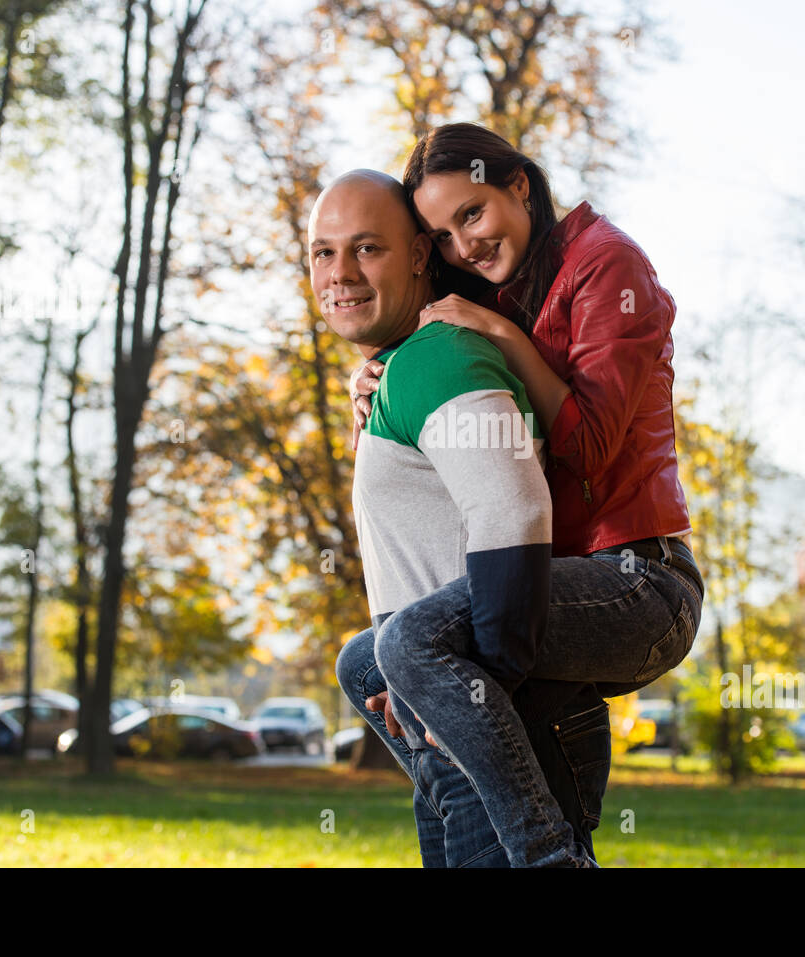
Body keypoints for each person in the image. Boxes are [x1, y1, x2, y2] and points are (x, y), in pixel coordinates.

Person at [348, 123, 705, 867]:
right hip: (554, 591)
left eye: (471, 214)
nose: (462, 246)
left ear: (519, 184)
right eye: (441, 236)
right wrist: (375, 373)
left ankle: (548, 860)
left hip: (638, 580)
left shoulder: (607, 264)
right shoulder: (504, 288)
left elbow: (590, 445)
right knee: (366, 663)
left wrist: (498, 332)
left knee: (412, 644)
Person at [312, 169, 610, 867]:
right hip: (456, 711)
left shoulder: (443, 354)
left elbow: (513, 506)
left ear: (420, 254)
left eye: (367, 249)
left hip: (493, 711)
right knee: (358, 659)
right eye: (323, 252)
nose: (341, 272)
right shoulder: (404, 367)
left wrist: (479, 687)